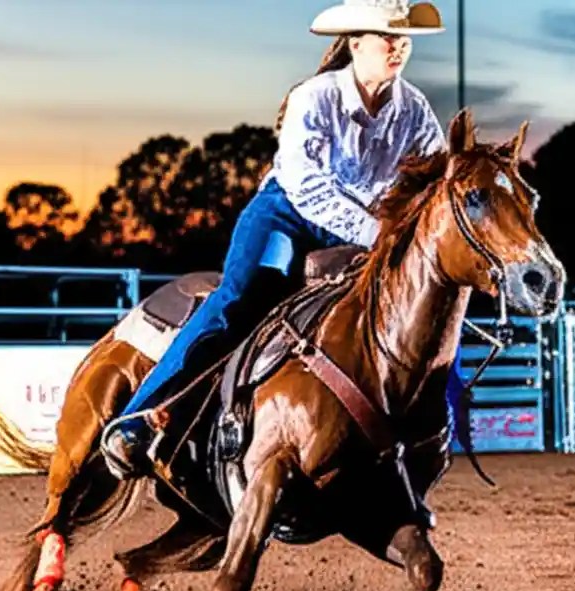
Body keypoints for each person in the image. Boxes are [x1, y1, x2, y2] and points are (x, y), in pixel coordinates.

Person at [102, 0, 463, 479]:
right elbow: (307, 187)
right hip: (287, 214)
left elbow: (435, 178)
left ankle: (418, 431)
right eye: (386, 37)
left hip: (362, 227)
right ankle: (140, 417)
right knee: (242, 296)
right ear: (356, 44)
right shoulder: (314, 98)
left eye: (403, 39)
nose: (397, 47)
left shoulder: (413, 110)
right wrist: (379, 234)